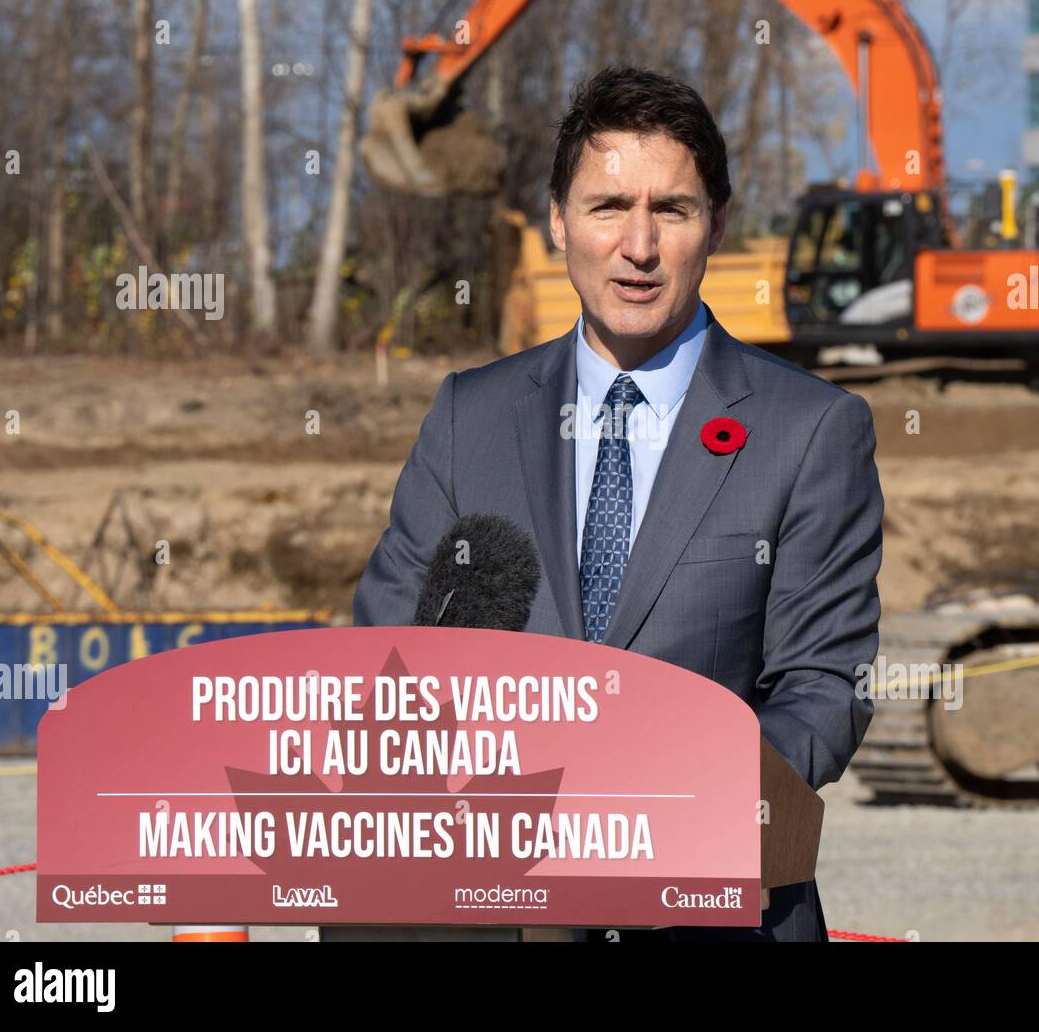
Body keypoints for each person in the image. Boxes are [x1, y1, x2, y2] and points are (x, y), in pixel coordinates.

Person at [354, 65, 884, 941]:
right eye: (607, 207)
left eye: (670, 210)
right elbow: (389, 655)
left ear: (715, 222)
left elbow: (825, 683)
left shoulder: (813, 429)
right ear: (559, 220)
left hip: (714, 911)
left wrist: (678, 816)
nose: (638, 246)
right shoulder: (467, 417)